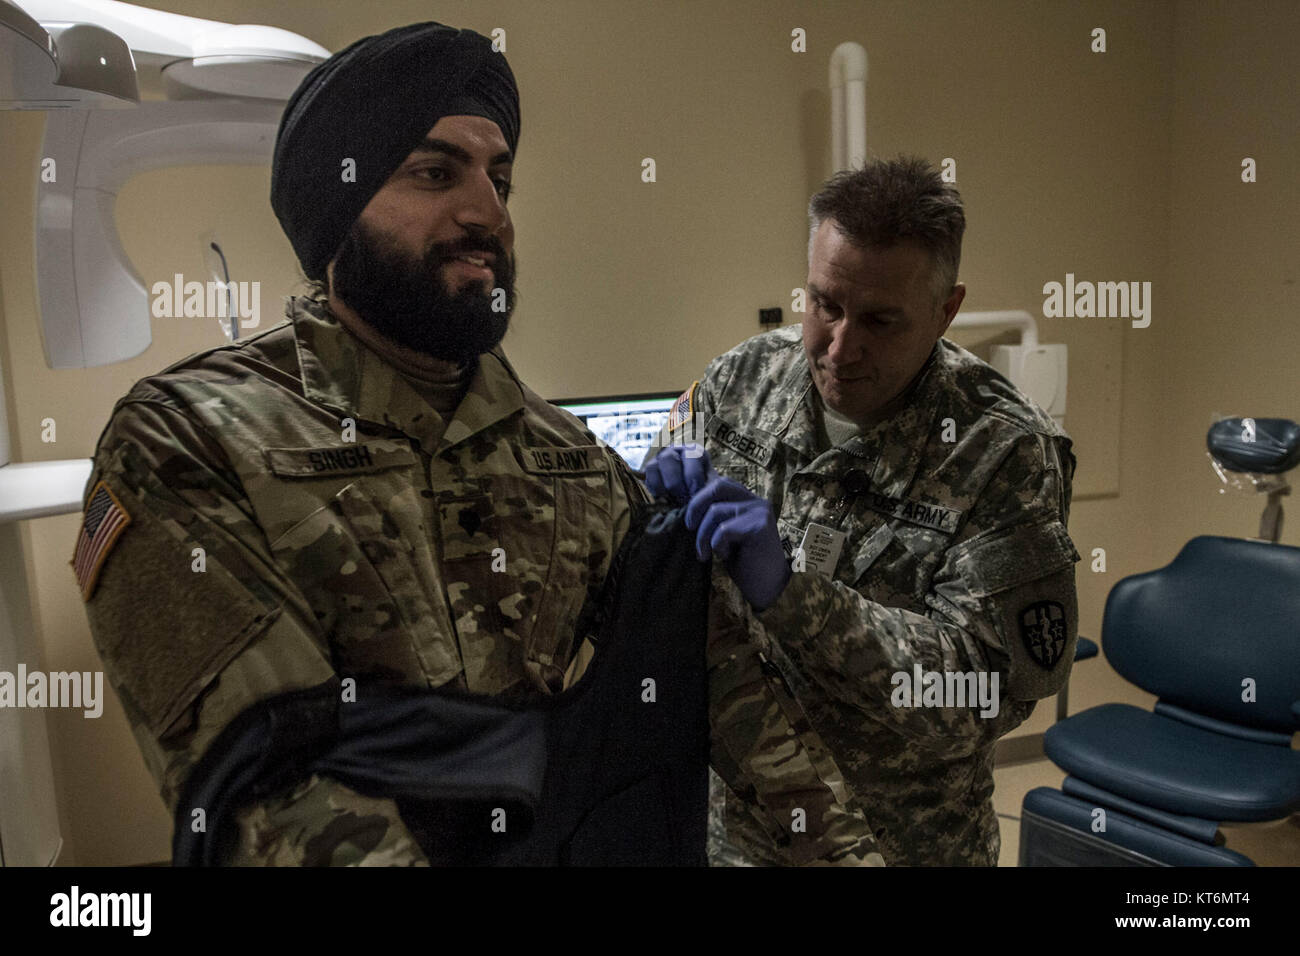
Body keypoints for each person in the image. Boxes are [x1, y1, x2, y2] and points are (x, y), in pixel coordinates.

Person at [73, 21, 879, 866]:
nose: (488, 211)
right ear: (337, 207)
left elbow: (744, 710)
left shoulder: (569, 459)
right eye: (434, 172)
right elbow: (269, 792)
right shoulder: (186, 443)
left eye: (500, 179)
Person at [646, 156, 1081, 866]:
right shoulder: (739, 381)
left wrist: (792, 596)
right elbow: (653, 549)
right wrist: (653, 507)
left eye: (880, 320)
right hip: (739, 838)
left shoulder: (1002, 450)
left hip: (899, 842)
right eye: (824, 305)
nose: (841, 348)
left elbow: (983, 689)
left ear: (947, 310)